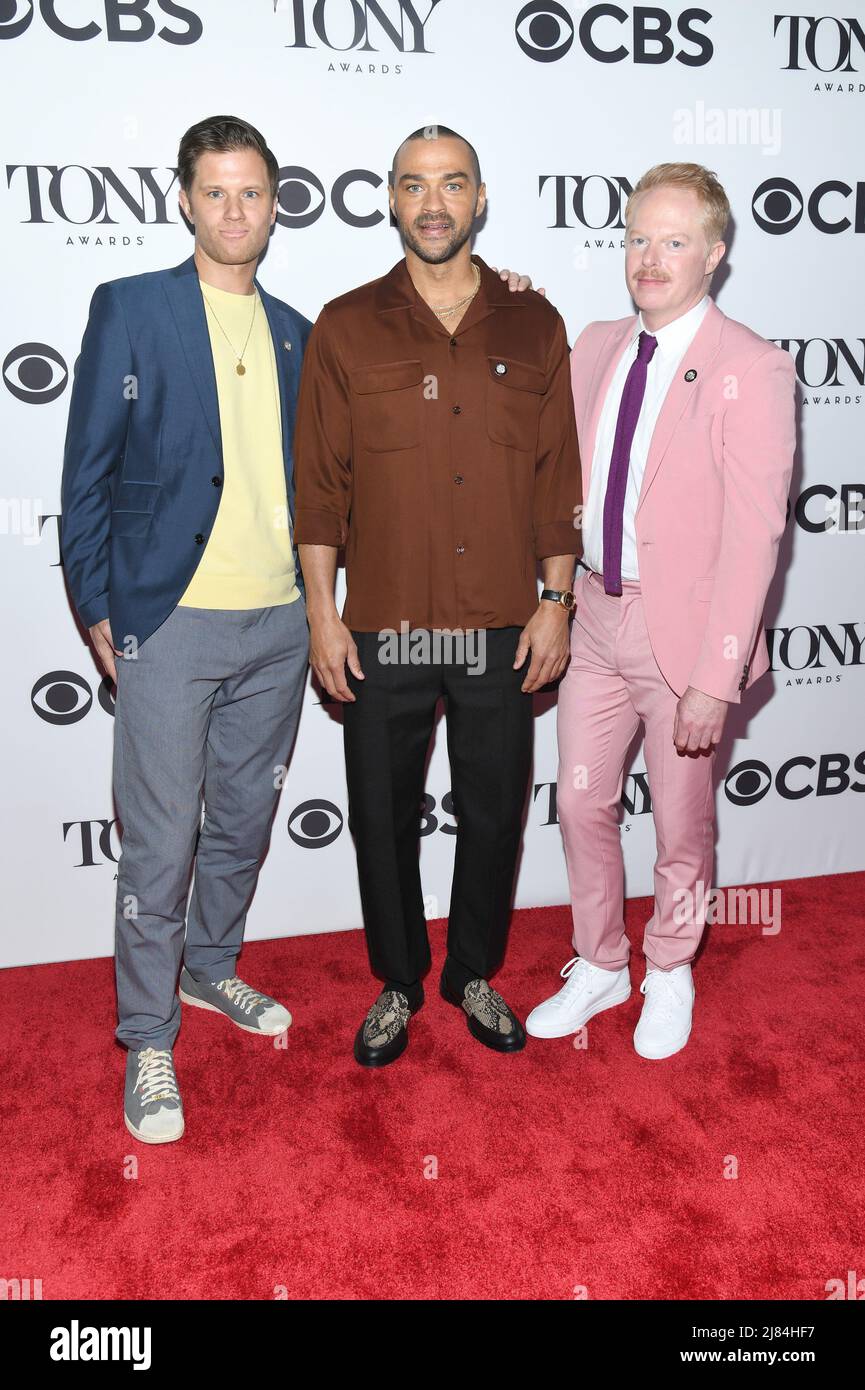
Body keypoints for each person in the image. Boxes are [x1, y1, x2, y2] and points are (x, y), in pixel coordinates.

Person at [293, 125, 582, 1068]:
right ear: (389, 199)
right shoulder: (344, 325)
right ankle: (399, 980)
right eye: (414, 185)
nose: (433, 203)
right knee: (380, 811)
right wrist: (321, 614)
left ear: (481, 199)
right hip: (384, 623)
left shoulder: (535, 323)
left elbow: (555, 478)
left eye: (452, 184)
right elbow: (320, 487)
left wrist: (556, 602)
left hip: (504, 617)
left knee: (495, 808)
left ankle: (474, 974)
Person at [60, 115, 312, 1143]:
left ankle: (211, 971)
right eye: (215, 191)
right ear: (182, 198)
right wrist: (97, 606)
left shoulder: (299, 329)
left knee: (243, 822)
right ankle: (148, 1034)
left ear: (274, 204)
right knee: (159, 845)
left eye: (252, 192)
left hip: (284, 623)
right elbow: (85, 471)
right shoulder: (130, 309)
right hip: (168, 621)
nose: (235, 210)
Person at [526, 163, 796, 1059]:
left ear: (713, 255)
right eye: (638, 237)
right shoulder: (596, 343)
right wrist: (507, 300)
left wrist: (716, 678)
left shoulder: (750, 367)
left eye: (673, 241)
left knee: (682, 828)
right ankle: (600, 961)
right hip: (593, 616)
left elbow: (755, 539)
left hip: (682, 637)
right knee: (579, 802)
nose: (649, 258)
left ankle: (670, 966)